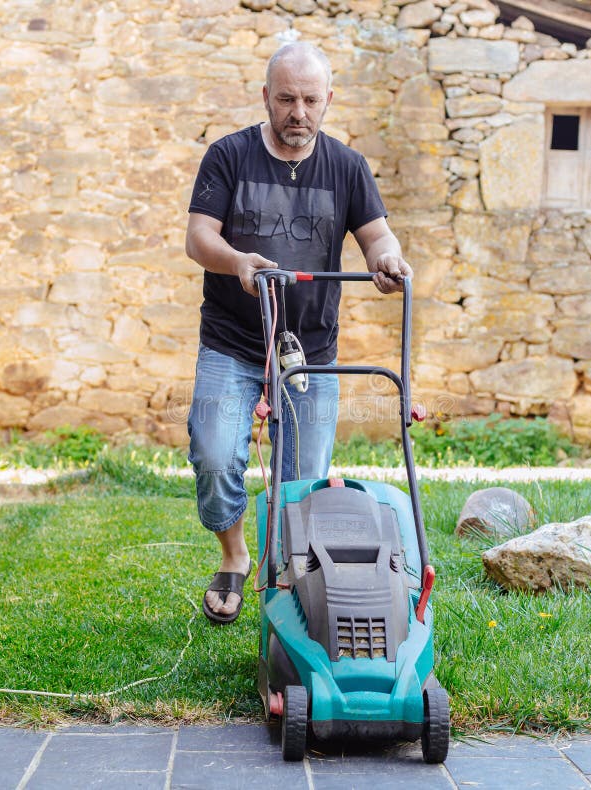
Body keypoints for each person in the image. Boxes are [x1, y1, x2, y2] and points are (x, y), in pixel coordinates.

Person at [186, 41, 412, 624]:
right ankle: (235, 558)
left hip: (311, 354)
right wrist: (236, 260)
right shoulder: (228, 155)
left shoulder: (347, 167)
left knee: (303, 484)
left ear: (328, 100)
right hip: (232, 344)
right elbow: (198, 239)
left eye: (311, 100)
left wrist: (389, 260)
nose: (298, 112)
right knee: (214, 456)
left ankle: (286, 583)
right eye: (286, 98)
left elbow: (378, 237)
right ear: (266, 96)